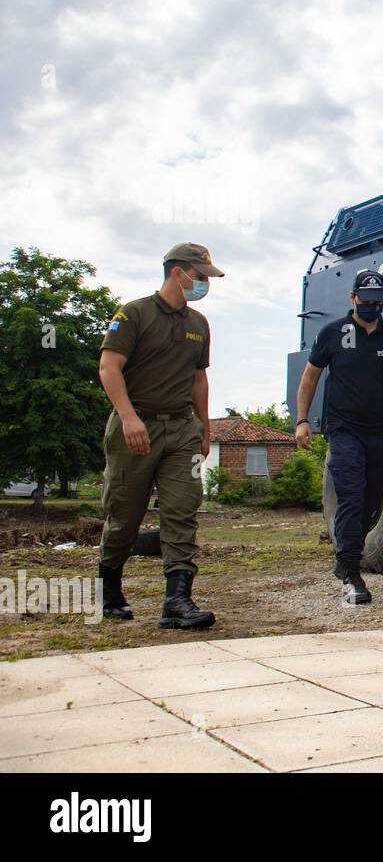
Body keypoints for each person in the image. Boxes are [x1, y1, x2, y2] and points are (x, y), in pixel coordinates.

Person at [97, 242, 223, 629]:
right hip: (135, 427)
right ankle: (110, 590)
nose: (205, 283)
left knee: (182, 510)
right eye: (201, 276)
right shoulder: (133, 314)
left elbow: (199, 379)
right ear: (177, 272)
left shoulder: (199, 324)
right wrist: (129, 417)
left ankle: (177, 601)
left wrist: (203, 427)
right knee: (124, 515)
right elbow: (108, 368)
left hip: (182, 430)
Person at [294, 270, 383, 604]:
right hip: (344, 430)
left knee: (372, 503)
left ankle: (348, 561)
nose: (372, 306)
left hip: (381, 433)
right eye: (367, 300)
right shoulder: (332, 334)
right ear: (353, 298)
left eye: (378, 301)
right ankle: (350, 571)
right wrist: (302, 420)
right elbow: (309, 378)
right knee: (351, 495)